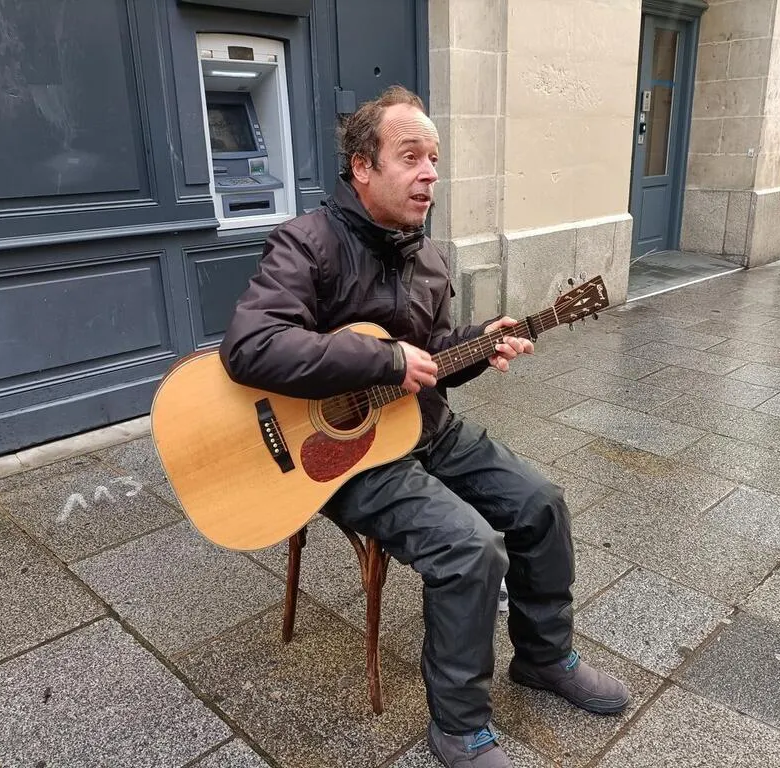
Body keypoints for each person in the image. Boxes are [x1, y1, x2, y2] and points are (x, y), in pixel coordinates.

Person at [219, 86, 630, 767]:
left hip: (425, 429)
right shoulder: (308, 243)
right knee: (470, 549)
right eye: (411, 156)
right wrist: (377, 357)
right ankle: (460, 729)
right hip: (346, 458)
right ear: (362, 166)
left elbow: (431, 359)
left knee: (542, 503)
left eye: (434, 159)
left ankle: (544, 656)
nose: (429, 174)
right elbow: (249, 346)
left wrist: (480, 342)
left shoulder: (431, 258)